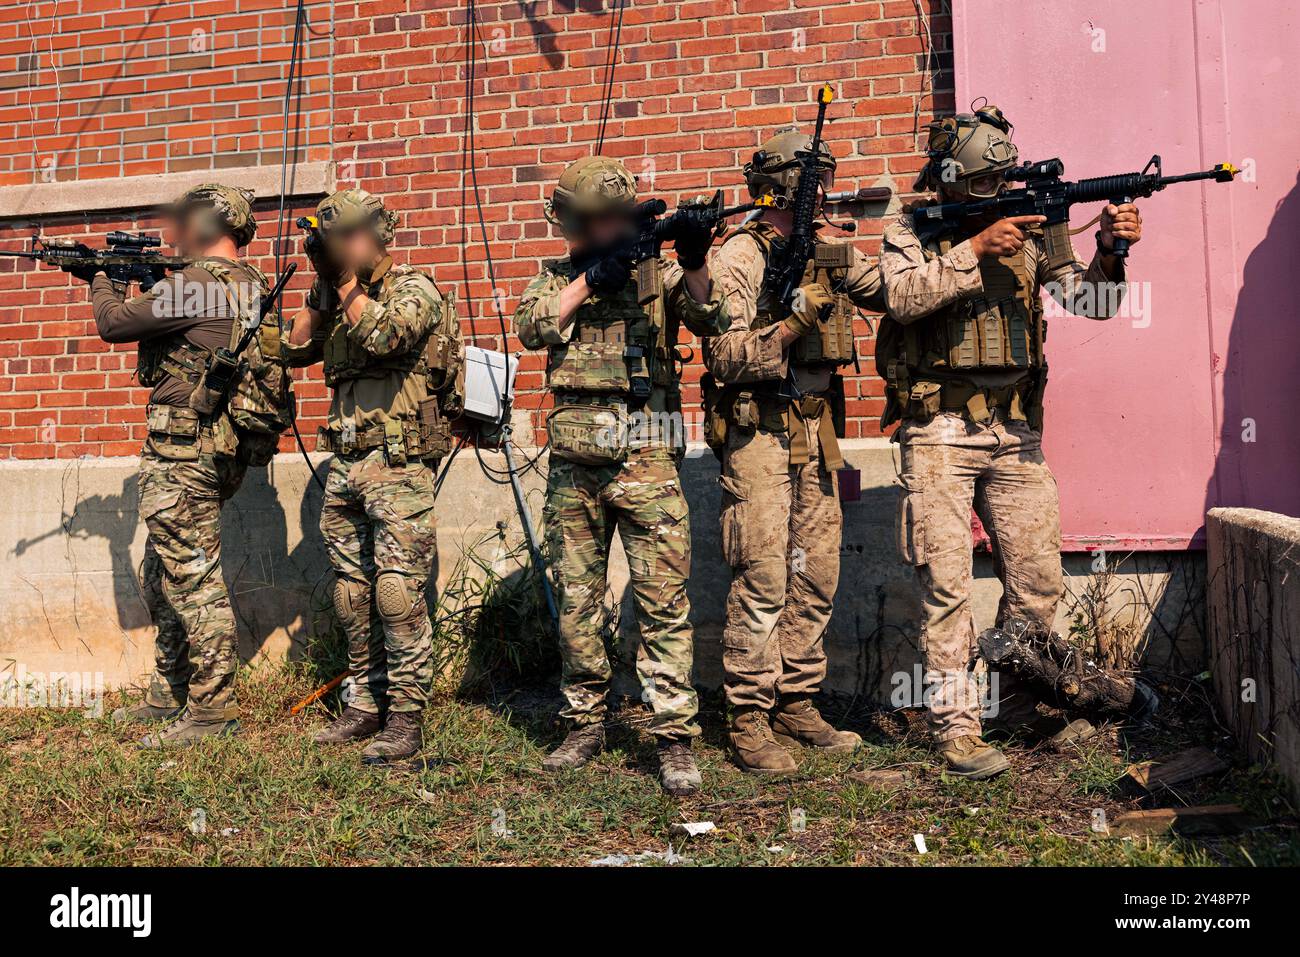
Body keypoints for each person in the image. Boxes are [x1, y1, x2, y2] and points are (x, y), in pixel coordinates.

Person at [877, 104, 1142, 778]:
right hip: (939, 428)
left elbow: (1095, 303)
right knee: (947, 585)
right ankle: (957, 730)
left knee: (1038, 581)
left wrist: (1112, 252)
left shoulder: (1036, 227)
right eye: (989, 182)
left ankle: (1022, 705)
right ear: (953, 182)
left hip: (1015, 428)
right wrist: (972, 249)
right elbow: (901, 298)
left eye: (1007, 178)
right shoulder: (910, 224)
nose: (1005, 191)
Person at [513, 156, 727, 796]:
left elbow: (711, 320)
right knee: (577, 603)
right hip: (575, 468)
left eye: (609, 224)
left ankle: (673, 738)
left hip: (647, 461)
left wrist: (693, 261)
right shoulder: (554, 278)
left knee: (664, 603)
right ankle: (583, 721)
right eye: (589, 224)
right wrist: (590, 280)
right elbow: (533, 328)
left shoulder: (655, 277)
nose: (598, 234)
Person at [703, 129, 884, 775]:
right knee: (763, 577)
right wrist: (791, 323)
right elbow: (724, 356)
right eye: (815, 183)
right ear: (782, 187)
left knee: (816, 573)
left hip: (815, 431)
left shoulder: (822, 251)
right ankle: (748, 717)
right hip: (758, 434)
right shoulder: (740, 257)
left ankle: (796, 700)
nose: (826, 194)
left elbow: (892, 290)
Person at [85, 184, 290, 747]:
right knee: (163, 570)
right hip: (216, 449)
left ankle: (211, 711)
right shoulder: (249, 284)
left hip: (186, 453)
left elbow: (114, 324)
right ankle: (169, 690)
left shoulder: (199, 284)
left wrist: (102, 276)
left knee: (193, 580)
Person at [283, 188, 463, 764]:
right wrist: (321, 280)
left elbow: (386, 336)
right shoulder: (336, 292)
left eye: (351, 234)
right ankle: (364, 702)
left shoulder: (416, 288)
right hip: (345, 464)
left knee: (396, 593)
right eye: (336, 238)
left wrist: (343, 285)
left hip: (399, 464)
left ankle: (406, 717)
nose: (344, 245)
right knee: (352, 593)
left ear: (380, 233)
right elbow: (292, 348)